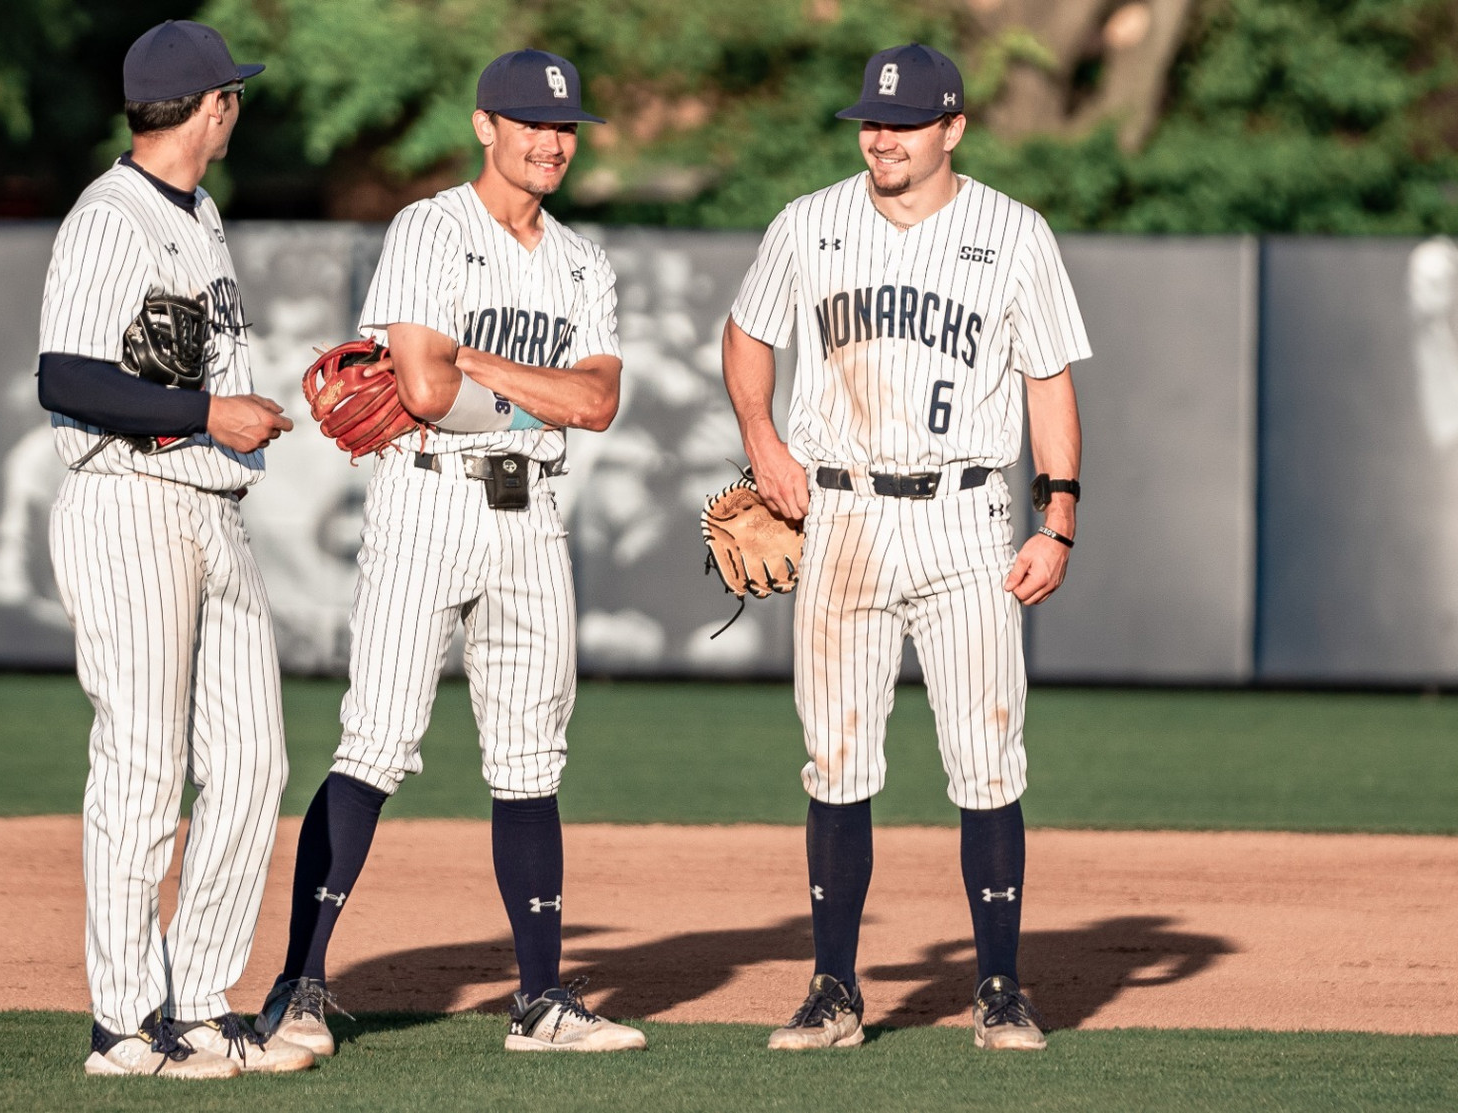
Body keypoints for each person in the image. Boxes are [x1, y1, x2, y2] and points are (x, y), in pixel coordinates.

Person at [254, 49, 645, 1055]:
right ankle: (296, 987)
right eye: (530, 123)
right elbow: (421, 393)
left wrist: (473, 359)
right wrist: (522, 386)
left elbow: (597, 402)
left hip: (531, 512)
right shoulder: (430, 227)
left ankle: (541, 1001)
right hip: (427, 504)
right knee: (376, 741)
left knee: (530, 759)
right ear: (486, 127)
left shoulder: (581, 261)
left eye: (565, 127)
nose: (552, 141)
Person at [720, 42, 1090, 1052]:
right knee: (835, 758)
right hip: (838, 514)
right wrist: (762, 440)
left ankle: (1002, 986)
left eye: (903, 121)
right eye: (871, 122)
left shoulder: (1013, 233)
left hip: (965, 514)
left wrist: (1056, 520)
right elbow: (747, 335)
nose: (880, 136)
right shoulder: (810, 223)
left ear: (953, 129)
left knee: (985, 756)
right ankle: (834, 989)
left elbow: (1048, 380)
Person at [35, 19, 309, 1079]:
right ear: (214, 108)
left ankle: (195, 1005)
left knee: (252, 763)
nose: (236, 107)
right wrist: (207, 412)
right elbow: (65, 377)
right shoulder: (107, 218)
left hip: (209, 505)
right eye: (232, 95)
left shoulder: (202, 214)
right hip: (129, 501)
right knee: (145, 767)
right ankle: (121, 1022)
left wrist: (223, 420)